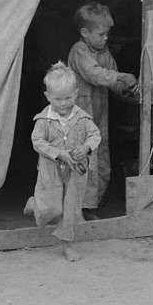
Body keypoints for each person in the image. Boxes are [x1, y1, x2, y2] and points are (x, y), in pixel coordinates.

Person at [67, 2, 138, 219]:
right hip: (80, 119)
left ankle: (93, 202)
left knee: (102, 163)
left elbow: (112, 79)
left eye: (108, 33)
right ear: (84, 33)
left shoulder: (104, 52)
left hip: (99, 119)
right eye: (101, 34)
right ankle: (81, 208)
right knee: (83, 162)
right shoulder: (79, 51)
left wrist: (128, 90)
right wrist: (120, 77)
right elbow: (96, 74)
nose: (106, 38)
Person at [24, 62, 101, 261]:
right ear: (48, 97)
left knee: (70, 209)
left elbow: (95, 135)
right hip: (51, 171)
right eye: (58, 99)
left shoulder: (83, 119)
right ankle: (36, 205)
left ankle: (67, 245)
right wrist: (58, 153)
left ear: (76, 93)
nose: (64, 103)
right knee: (52, 207)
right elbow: (37, 141)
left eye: (68, 98)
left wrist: (85, 147)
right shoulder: (43, 121)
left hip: (75, 172)